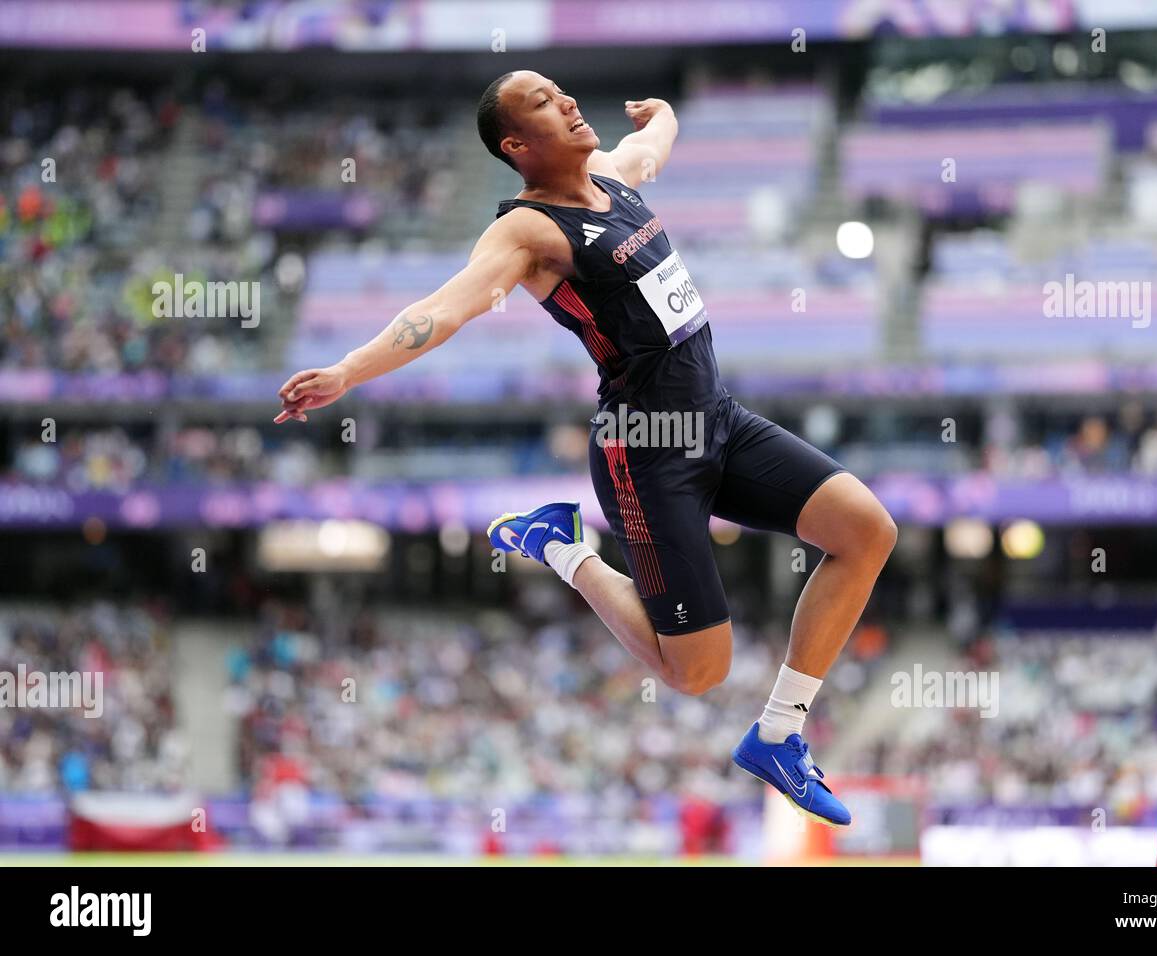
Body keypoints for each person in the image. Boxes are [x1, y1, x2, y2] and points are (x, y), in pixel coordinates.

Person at [275, 72, 896, 827]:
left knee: (866, 530)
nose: (568, 101)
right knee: (698, 670)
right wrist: (347, 369)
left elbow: (651, 145)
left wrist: (664, 113)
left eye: (561, 90)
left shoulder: (610, 176)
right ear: (516, 145)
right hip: (646, 451)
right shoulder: (528, 234)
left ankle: (777, 735)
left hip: (718, 421)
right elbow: (442, 311)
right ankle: (565, 549)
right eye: (543, 102)